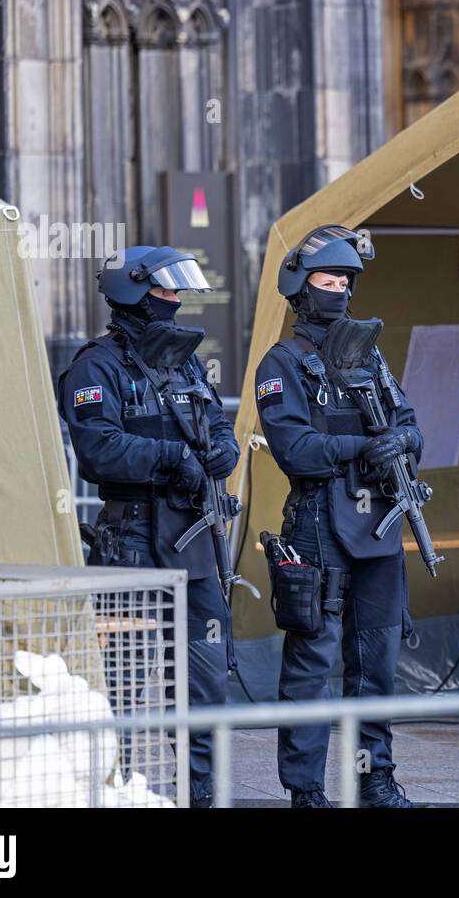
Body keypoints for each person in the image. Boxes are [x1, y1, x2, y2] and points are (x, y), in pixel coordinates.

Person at [58, 245, 240, 806]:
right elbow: (97, 449)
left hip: (192, 536)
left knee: (205, 676)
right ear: (135, 292)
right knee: (121, 679)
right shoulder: (96, 365)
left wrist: (222, 454)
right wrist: (172, 457)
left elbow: (218, 423)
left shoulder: (180, 360)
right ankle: (117, 787)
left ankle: (201, 789)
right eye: (165, 291)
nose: (175, 301)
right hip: (131, 540)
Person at [255, 225, 422, 808]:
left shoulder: (368, 356)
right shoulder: (282, 363)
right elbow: (295, 450)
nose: (340, 292)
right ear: (302, 287)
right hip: (319, 525)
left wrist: (401, 444)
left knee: (374, 661)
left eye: (347, 281)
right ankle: (304, 791)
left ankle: (374, 778)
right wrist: (362, 449)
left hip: (378, 522)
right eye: (328, 281)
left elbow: (410, 424)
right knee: (312, 663)